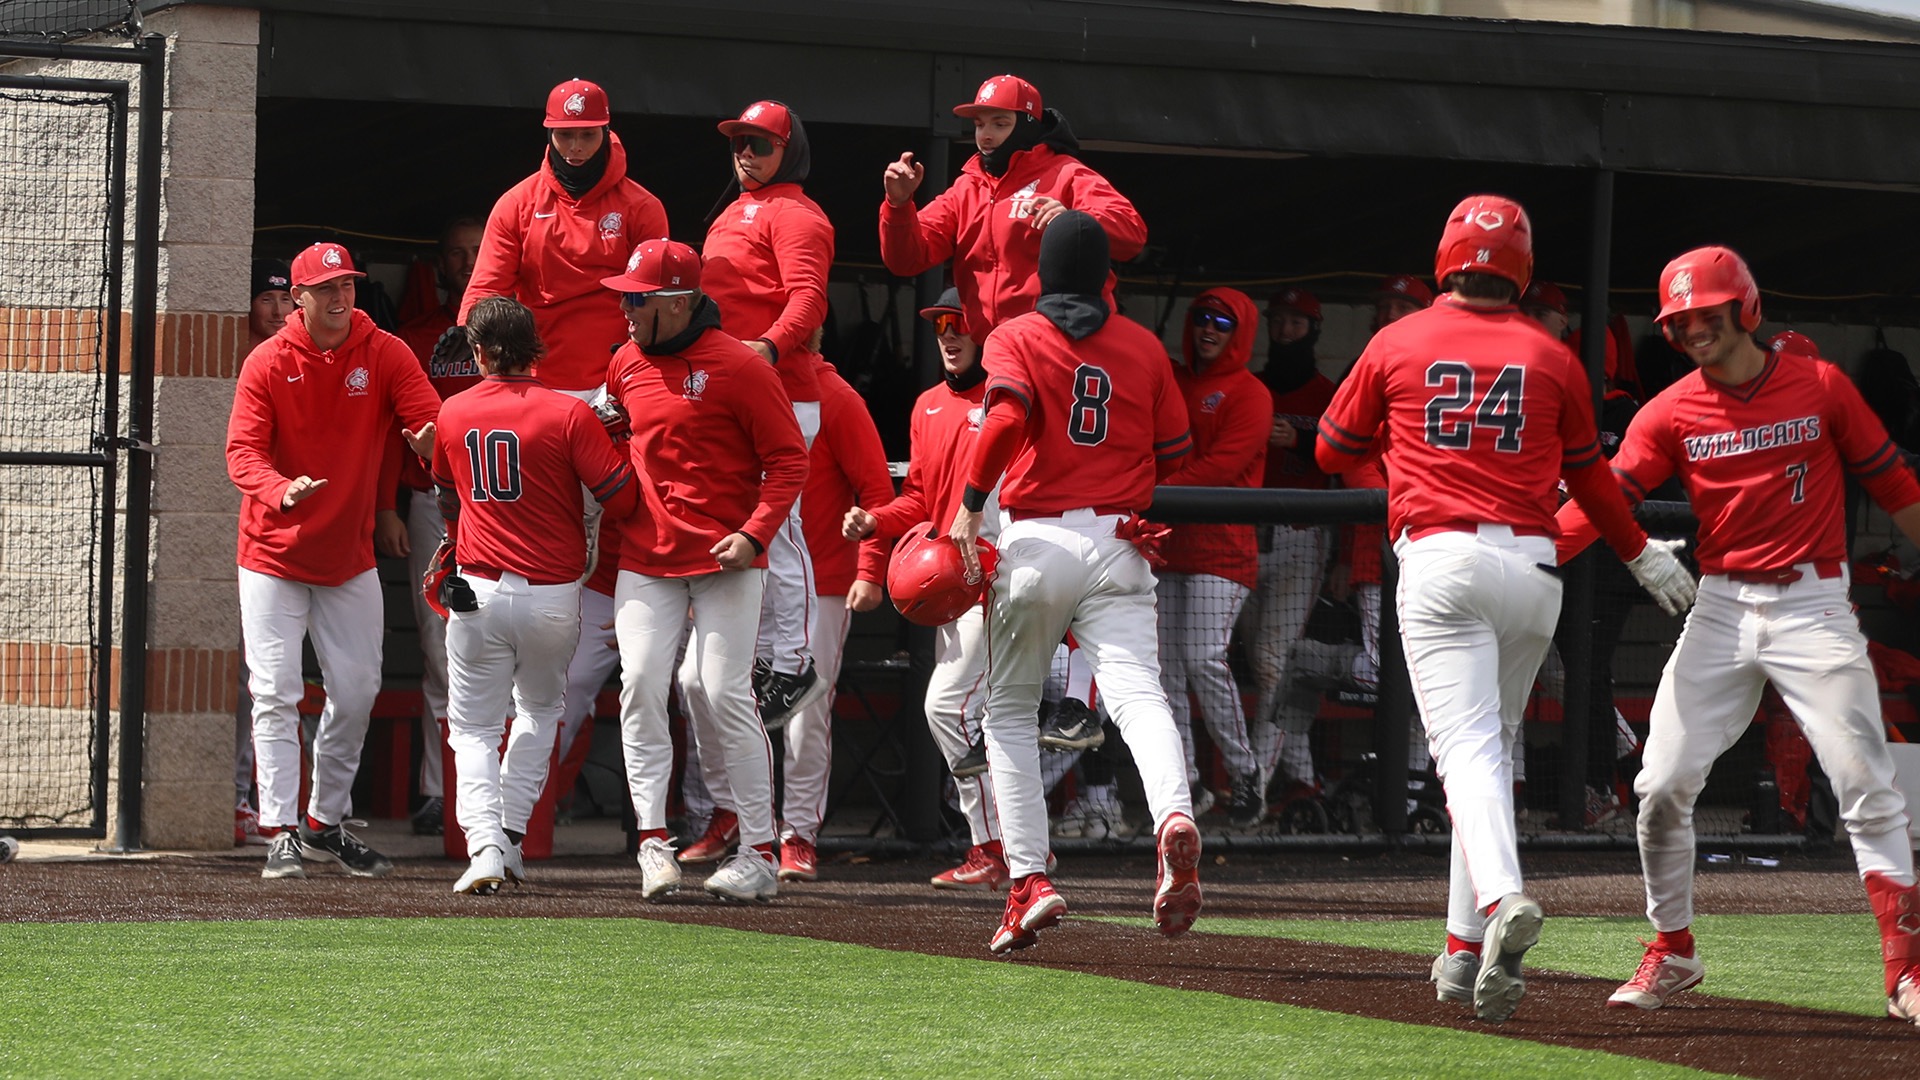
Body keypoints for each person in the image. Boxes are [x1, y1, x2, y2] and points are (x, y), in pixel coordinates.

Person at [1314, 196, 1695, 1023]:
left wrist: (1403, 441)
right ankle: (1458, 951)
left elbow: (1329, 448)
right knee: (1489, 751)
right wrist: (1636, 551)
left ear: (1447, 256)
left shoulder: (1396, 338)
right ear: (1520, 266)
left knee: (1466, 756)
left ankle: (1501, 901)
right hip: (1530, 570)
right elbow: (1593, 478)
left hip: (1441, 559)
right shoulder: (1552, 352)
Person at [1555, 245, 1920, 1028]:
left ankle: (1906, 971)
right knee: (1659, 787)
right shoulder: (1671, 407)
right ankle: (1673, 949)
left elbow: (1895, 486)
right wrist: (1535, 550)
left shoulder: (1822, 385)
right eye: (1679, 319)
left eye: (1706, 312)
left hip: (1815, 605)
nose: (1692, 328)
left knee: (1865, 784)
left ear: (1744, 308)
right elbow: (1607, 494)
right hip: (1719, 606)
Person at [948, 211, 1203, 953]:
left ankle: (1029, 881)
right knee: (1139, 696)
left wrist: (968, 508)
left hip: (1038, 537)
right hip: (1120, 539)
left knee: (1007, 711)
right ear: (1104, 278)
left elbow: (1003, 421)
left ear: (1043, 274)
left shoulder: (1018, 334)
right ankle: (1172, 819)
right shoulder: (1144, 345)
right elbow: (1178, 453)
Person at [225, 241, 441, 880]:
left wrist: (433, 443)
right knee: (275, 692)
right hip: (270, 552)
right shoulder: (266, 360)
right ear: (299, 299)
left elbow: (427, 417)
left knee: (357, 691)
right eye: (326, 289)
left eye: (347, 285)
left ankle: (323, 822)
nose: (341, 298)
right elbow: (241, 453)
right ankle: (281, 830)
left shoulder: (385, 350)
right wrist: (279, 489)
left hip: (348, 556)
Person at [601, 239, 808, 903]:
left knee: (721, 693)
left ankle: (758, 852)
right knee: (640, 685)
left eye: (637, 298)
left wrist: (754, 534)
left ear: (679, 301)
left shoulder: (741, 367)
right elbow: (612, 430)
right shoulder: (623, 362)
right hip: (646, 556)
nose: (625, 309)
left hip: (727, 559)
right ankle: (653, 844)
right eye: (625, 296)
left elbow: (788, 462)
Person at [429, 297, 638, 894]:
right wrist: (620, 442)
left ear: (478, 351)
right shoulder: (569, 415)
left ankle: (488, 844)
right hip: (552, 592)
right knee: (540, 713)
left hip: (478, 585)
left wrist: (455, 540)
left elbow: (446, 499)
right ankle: (509, 837)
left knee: (471, 729)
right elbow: (622, 499)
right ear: (536, 347)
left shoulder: (454, 410)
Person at [844, 289, 1013, 889]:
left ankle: (1000, 847)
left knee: (948, 707)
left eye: (958, 322)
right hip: (950, 578)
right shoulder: (926, 406)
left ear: (986, 332)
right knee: (983, 717)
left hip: (997, 577)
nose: (947, 333)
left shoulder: (1010, 399)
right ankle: (999, 850)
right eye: (940, 323)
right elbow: (918, 497)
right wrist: (876, 522)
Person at [700, 99, 835, 727]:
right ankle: (766, 660)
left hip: (780, 387)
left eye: (760, 144)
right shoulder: (731, 211)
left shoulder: (800, 213)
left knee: (779, 531)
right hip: (729, 391)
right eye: (739, 143)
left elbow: (809, 298)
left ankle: (795, 663)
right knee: (748, 531)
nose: (745, 153)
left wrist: (770, 346)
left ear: (788, 149)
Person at [879, 74, 1146, 339]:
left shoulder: (1067, 174)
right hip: (998, 354)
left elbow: (1132, 234)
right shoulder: (967, 189)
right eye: (979, 124)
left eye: (1000, 124)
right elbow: (906, 261)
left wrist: (1075, 223)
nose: (985, 135)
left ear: (1027, 126)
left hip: (1065, 347)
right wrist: (899, 205)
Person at [461, 78, 669, 399]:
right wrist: (469, 330)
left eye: (587, 134)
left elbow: (658, 297)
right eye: (565, 134)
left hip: (621, 376)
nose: (576, 146)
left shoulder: (642, 206)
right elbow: (488, 287)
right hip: (538, 376)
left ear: (606, 133)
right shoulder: (517, 203)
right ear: (549, 134)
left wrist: (638, 371)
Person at [388, 216, 488, 836]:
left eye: (478, 250)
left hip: (506, 505)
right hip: (431, 500)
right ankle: (439, 789)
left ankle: (511, 789)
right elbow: (393, 432)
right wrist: (388, 506)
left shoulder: (512, 331)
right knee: (438, 642)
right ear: (439, 263)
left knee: (502, 640)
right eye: (456, 253)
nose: (467, 261)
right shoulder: (418, 336)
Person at [1157, 288, 1272, 827]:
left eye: (1221, 322)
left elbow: (1222, 467)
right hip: (1163, 544)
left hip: (1222, 551)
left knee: (1203, 659)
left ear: (1239, 332)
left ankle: (1243, 771)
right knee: (1164, 672)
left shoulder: (1250, 393)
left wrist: (1153, 492)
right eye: (1201, 317)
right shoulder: (1173, 378)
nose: (1208, 329)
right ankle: (1187, 785)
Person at [1246, 286, 1338, 806]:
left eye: (1295, 323)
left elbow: (1347, 458)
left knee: (1271, 660)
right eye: (1278, 321)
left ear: (1313, 330)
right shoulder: (1252, 386)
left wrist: (1300, 440)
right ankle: (1305, 778)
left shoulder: (1326, 392)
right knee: (1264, 664)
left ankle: (1253, 787)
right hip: (1245, 537)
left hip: (1302, 538)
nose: (1284, 331)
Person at [232, 258, 294, 848]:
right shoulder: (244, 362)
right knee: (244, 675)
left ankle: (282, 809)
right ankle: (238, 802)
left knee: (275, 678)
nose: (277, 312)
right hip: (247, 533)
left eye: (285, 300)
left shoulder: (306, 361)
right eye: (265, 300)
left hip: (295, 538)